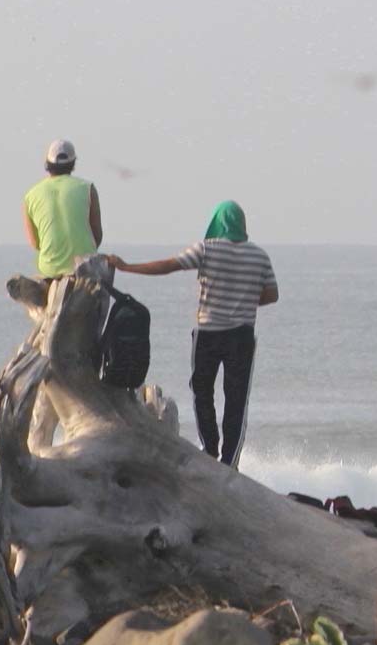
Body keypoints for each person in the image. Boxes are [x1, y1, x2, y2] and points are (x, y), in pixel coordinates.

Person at [106, 201, 278, 470]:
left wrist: (128, 267)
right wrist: (241, 299)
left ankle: (209, 450)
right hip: (241, 337)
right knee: (236, 399)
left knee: (201, 392)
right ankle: (230, 461)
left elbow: (169, 265)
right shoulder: (259, 255)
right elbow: (271, 295)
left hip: (208, 333)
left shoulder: (207, 248)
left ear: (217, 223)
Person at [22, 139, 102, 281]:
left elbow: (35, 243)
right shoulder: (88, 188)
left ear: (47, 163)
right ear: (73, 163)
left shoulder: (30, 195)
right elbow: (97, 236)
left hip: (50, 268)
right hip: (85, 266)